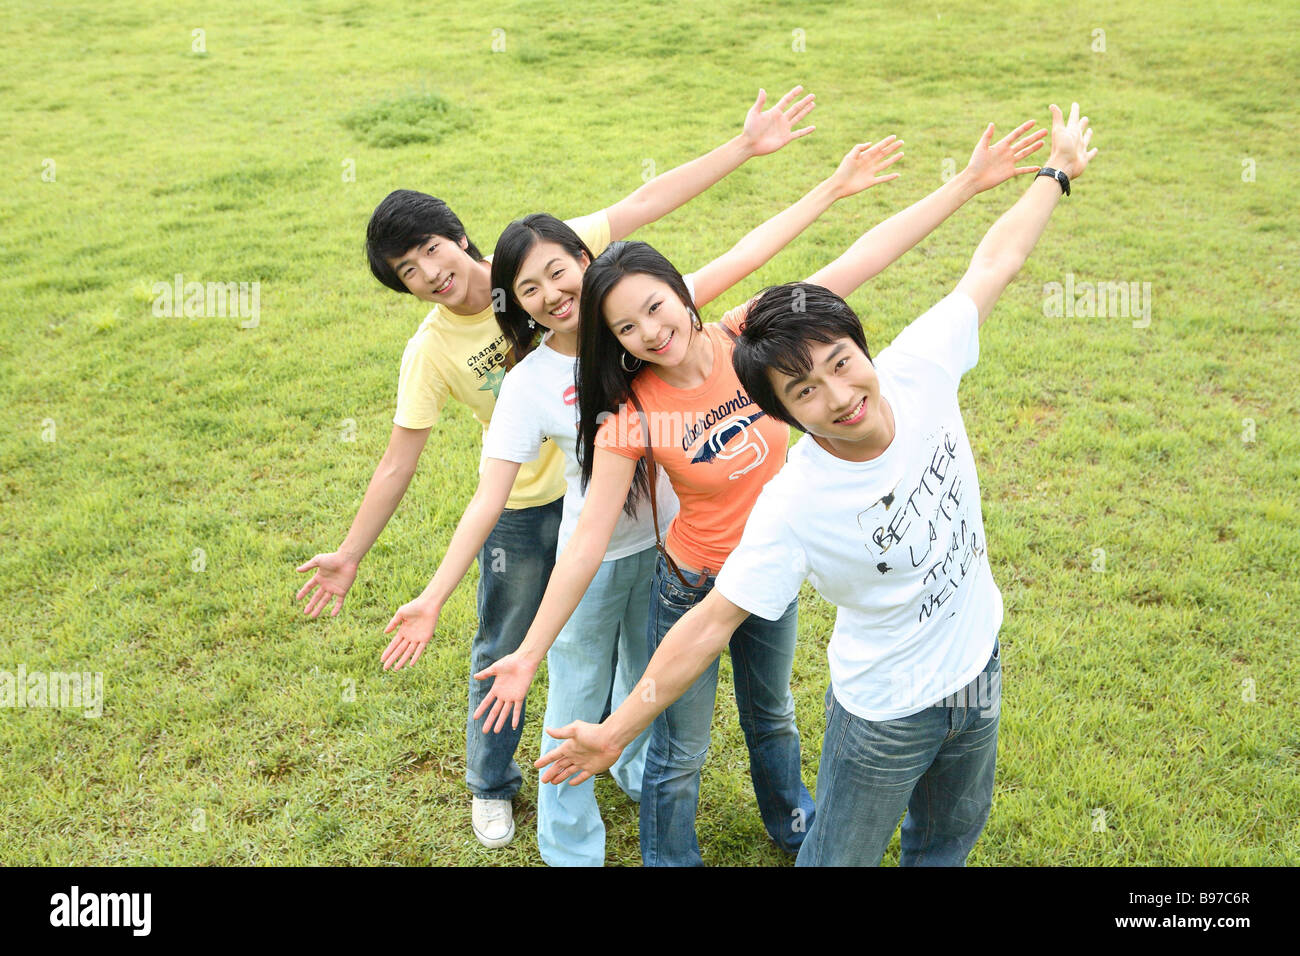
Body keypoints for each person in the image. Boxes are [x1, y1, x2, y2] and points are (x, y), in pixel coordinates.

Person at [476, 114, 1052, 865]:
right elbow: (586, 541)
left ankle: (794, 827)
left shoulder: (748, 343)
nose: (650, 333)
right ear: (614, 343)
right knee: (680, 754)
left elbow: (858, 259)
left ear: (681, 296)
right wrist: (527, 650)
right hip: (692, 588)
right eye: (626, 329)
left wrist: (966, 183)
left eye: (655, 307)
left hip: (770, 571)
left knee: (774, 714)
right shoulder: (627, 413)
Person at [293, 87, 820, 848]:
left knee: (645, 675)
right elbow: (431, 477)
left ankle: (630, 766)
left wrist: (747, 151)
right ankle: (523, 807)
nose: (429, 271)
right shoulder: (512, 369)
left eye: (431, 250)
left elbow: (683, 226)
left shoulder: (621, 319)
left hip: (664, 537)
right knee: (528, 659)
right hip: (565, 529)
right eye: (408, 270)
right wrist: (421, 586)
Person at [378, 136, 905, 865]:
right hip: (600, 564)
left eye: (559, 274)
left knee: (651, 692)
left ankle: (660, 781)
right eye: (529, 291)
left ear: (587, 266)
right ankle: (568, 844)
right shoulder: (535, 381)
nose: (550, 296)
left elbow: (756, 253)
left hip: (676, 545)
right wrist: (441, 599)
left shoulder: (651, 327)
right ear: (515, 302)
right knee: (581, 693)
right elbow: (493, 501)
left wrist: (829, 189)